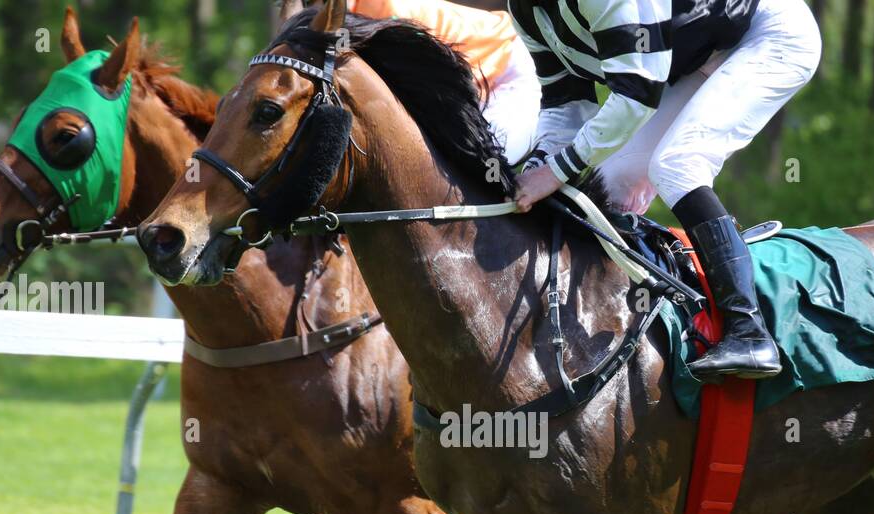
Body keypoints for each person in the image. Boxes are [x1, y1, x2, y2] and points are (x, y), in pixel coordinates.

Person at [508, 0, 822, 381]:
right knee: (609, 184)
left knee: (677, 164)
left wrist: (556, 172)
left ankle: (750, 332)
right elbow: (567, 107)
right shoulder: (524, 8)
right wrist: (535, 169)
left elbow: (636, 96)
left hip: (768, 33)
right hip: (698, 56)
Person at [346, 0, 541, 161]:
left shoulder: (384, 10)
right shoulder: (339, 17)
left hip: (509, 71)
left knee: (485, 165)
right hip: (468, 85)